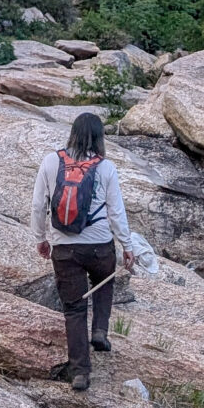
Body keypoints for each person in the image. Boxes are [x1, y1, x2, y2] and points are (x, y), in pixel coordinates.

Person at [32, 112, 135, 392]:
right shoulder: (105, 167)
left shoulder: (52, 161)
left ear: (73, 133)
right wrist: (127, 246)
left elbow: (38, 206)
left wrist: (41, 238)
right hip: (99, 244)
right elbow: (116, 212)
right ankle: (100, 330)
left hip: (64, 248)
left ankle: (80, 373)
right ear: (99, 137)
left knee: (74, 310)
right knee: (105, 277)